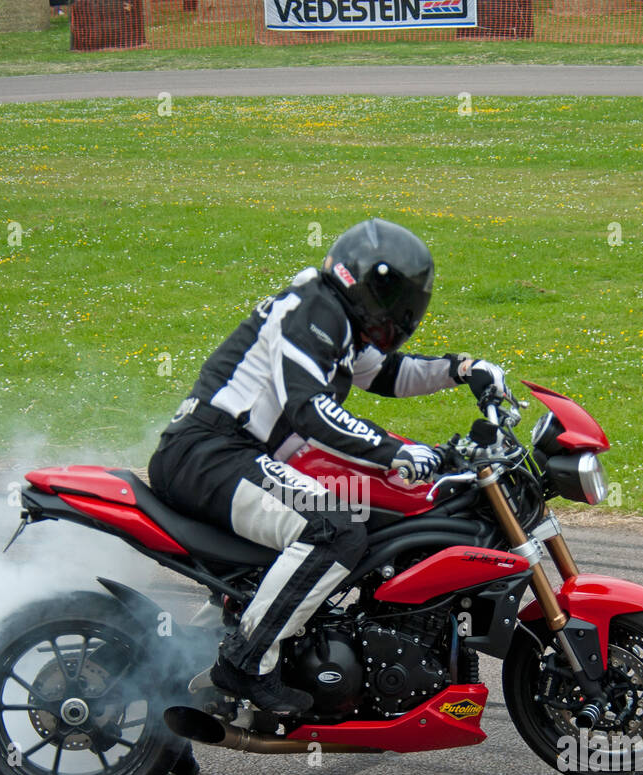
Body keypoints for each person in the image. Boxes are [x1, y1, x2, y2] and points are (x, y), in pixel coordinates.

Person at [148, 218, 508, 713]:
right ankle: (246, 662)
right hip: (211, 454)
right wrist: (397, 452)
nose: (401, 313)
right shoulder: (312, 311)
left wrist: (465, 370)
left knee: (350, 511)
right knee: (335, 528)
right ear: (369, 287)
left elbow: (385, 374)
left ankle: (193, 685)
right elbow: (309, 408)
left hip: (223, 456)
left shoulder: (334, 321)